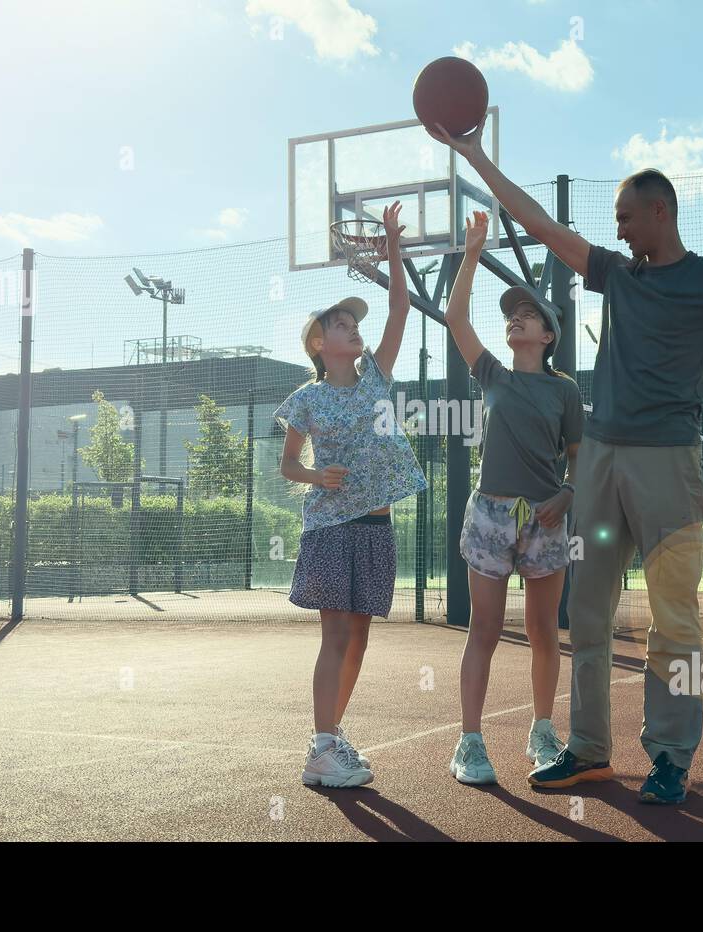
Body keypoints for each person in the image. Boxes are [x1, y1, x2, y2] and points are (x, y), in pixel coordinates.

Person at [429, 118, 703, 805]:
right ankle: (587, 751)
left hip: (669, 463)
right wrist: (475, 156)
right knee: (585, 616)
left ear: (659, 210)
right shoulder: (614, 273)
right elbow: (535, 219)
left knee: (673, 617)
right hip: (602, 466)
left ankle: (671, 756)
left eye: (625, 217)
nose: (616, 231)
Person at [274, 203, 427, 788]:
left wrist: (391, 243)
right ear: (318, 342)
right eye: (340, 324)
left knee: (359, 639)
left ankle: (331, 738)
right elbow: (288, 463)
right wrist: (316, 477)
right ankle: (319, 747)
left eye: (351, 322)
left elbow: (400, 306)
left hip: (375, 527)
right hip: (331, 530)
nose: (352, 327)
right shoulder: (306, 398)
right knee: (336, 635)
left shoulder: (376, 377)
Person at [442, 210, 585, 784]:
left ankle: (542, 729)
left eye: (527, 316)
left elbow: (580, 456)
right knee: (484, 629)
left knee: (545, 632)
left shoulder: (564, 391)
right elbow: (455, 316)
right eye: (511, 316)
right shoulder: (493, 375)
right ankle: (470, 741)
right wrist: (473, 251)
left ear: (548, 335)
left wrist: (569, 495)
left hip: (547, 518)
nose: (515, 321)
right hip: (491, 514)